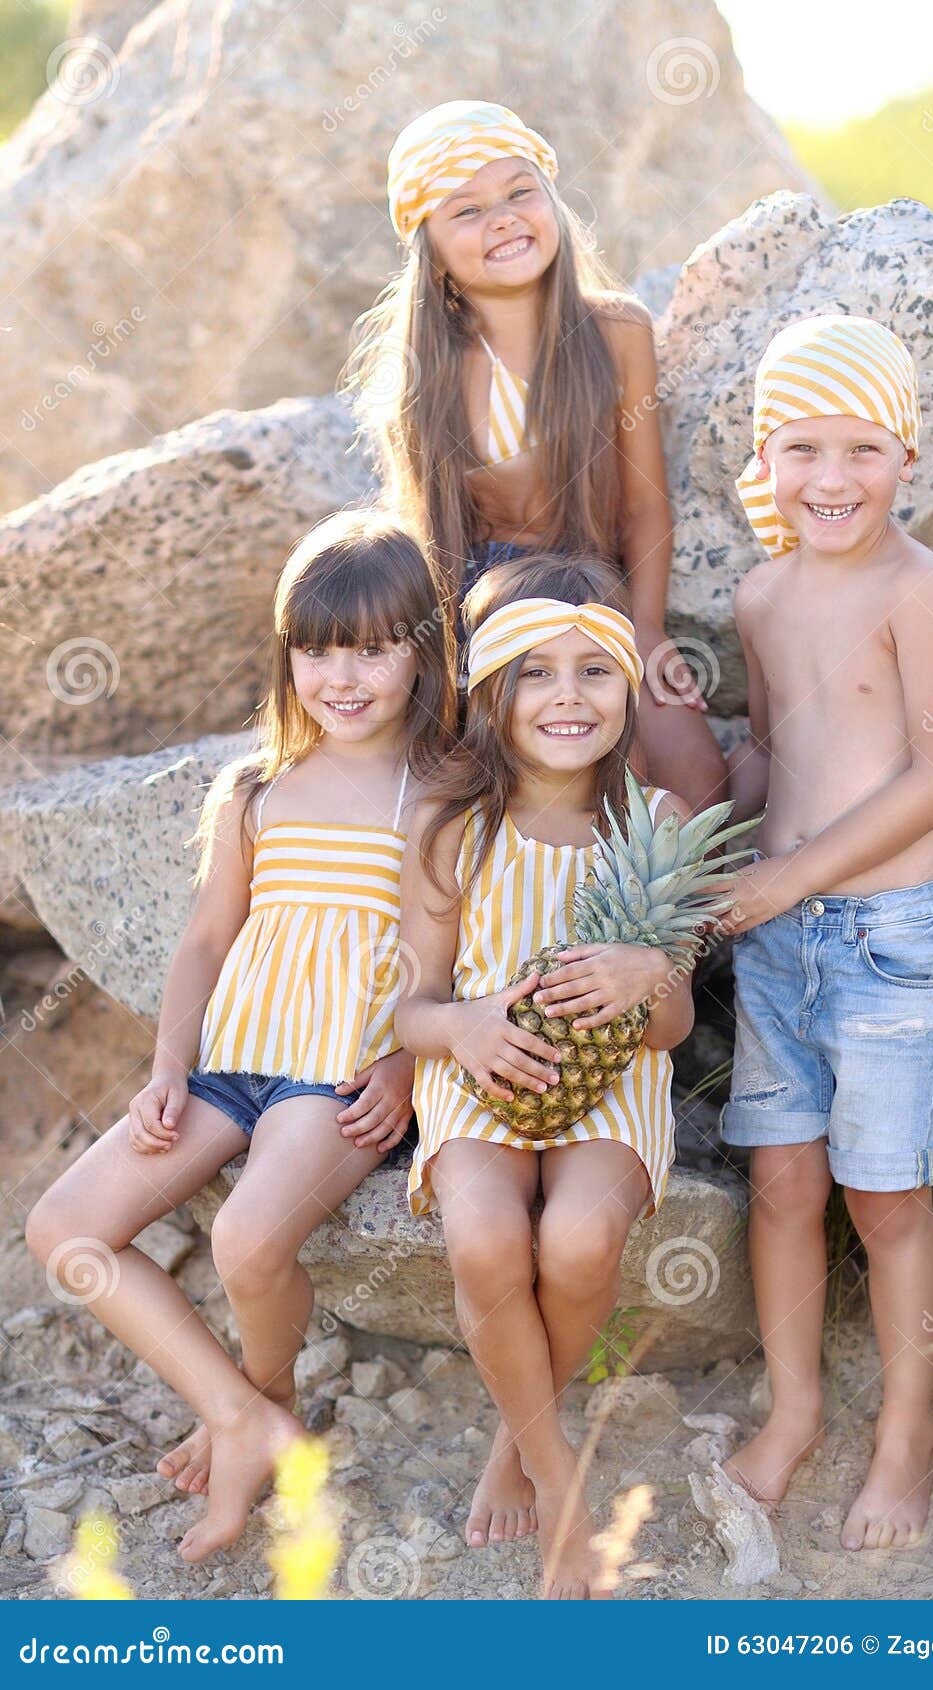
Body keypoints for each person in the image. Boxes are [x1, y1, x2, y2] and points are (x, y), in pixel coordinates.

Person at [24, 510, 454, 1563]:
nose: (340, 676)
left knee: (248, 1239)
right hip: (226, 1071)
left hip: (337, 1077)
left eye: (371, 648)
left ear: (421, 653)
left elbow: (441, 965)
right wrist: (166, 1070)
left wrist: (404, 1064)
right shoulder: (256, 791)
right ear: (286, 656)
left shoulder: (435, 794)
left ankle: (259, 1407)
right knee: (65, 1230)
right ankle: (237, 1414)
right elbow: (206, 940)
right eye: (316, 650)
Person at [716, 314, 933, 1550]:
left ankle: (906, 1433)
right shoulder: (759, 595)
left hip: (887, 940)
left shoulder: (917, 589)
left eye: (862, 448)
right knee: (780, 1179)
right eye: (802, 447)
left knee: (883, 1197)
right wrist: (693, 816)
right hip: (773, 943)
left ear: (905, 457)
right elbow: (771, 750)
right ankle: (796, 1406)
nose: (832, 478)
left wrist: (790, 879)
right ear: (763, 458)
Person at [395, 553, 696, 1598]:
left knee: (576, 1237)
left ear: (626, 689)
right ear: (491, 691)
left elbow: (670, 1029)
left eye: (594, 672)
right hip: (477, 1071)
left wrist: (647, 967)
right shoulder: (450, 826)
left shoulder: (647, 825)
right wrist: (467, 1026)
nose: (566, 697)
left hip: (608, 1082)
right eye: (534, 672)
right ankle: (557, 1473)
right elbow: (411, 1007)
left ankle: (508, 1442)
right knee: (483, 1236)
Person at [345, 97, 727, 812]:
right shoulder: (424, 374)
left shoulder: (615, 331)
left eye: (519, 192)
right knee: (601, 772)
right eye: (466, 210)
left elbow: (645, 505)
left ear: (550, 201)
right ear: (430, 251)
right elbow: (422, 540)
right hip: (484, 615)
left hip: (596, 591)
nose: (502, 217)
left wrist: (645, 633)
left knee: (697, 780)